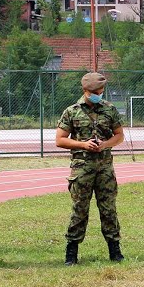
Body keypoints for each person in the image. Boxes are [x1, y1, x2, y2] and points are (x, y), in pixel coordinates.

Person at [55, 72, 126, 265]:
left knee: (108, 209)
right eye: (95, 92)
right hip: (82, 168)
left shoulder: (109, 109)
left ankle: (115, 250)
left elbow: (119, 135)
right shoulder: (72, 111)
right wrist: (83, 144)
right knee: (79, 209)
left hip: (105, 167)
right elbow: (60, 140)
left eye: (101, 91)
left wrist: (105, 144)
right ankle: (71, 251)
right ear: (85, 90)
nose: (98, 95)